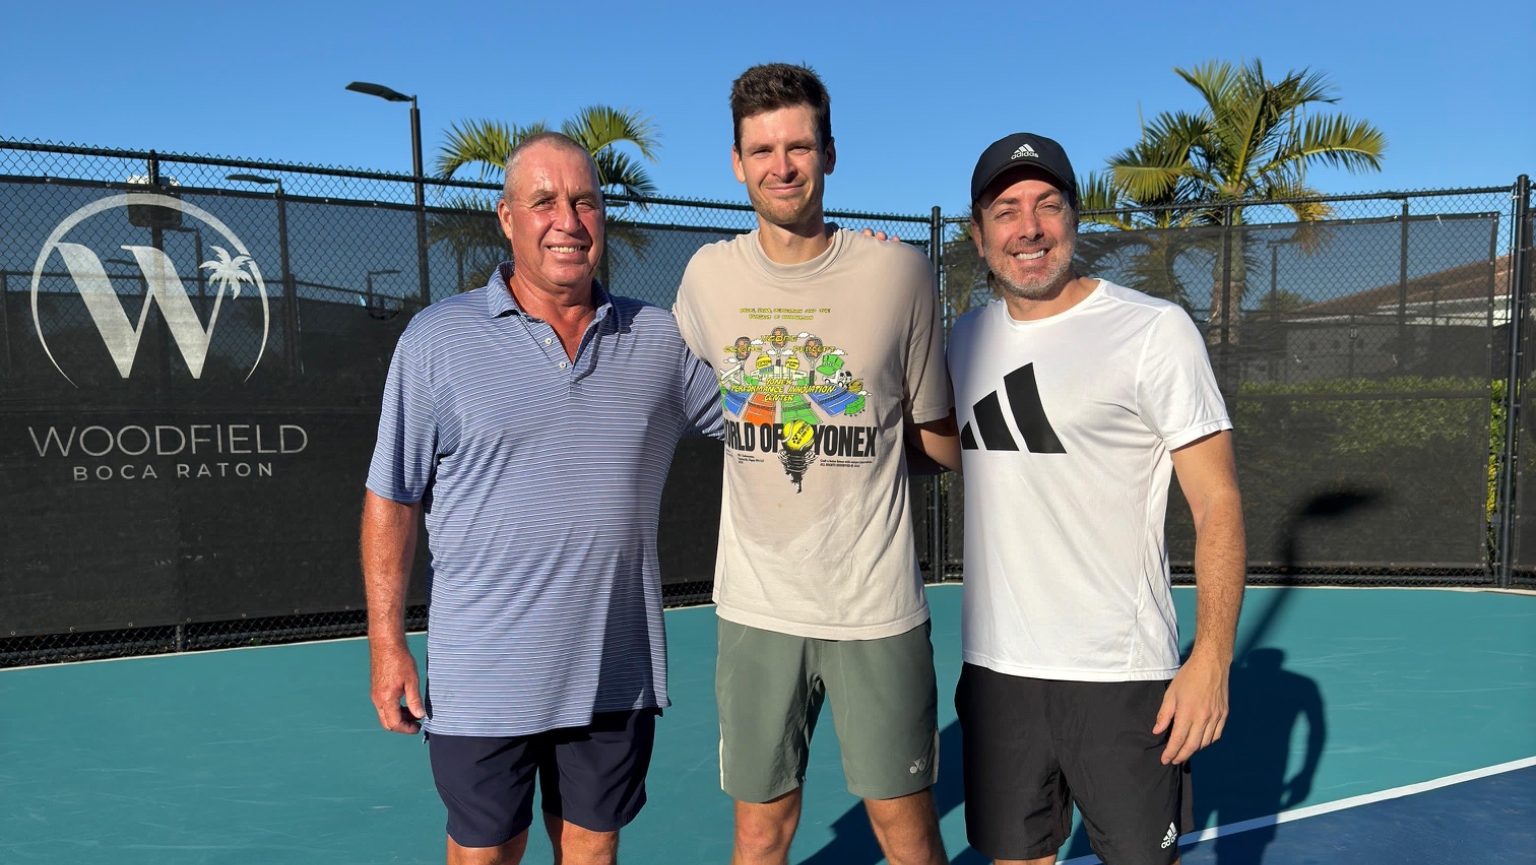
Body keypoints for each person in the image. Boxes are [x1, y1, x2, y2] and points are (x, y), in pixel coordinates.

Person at [361, 132, 722, 865]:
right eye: (544, 202)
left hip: (613, 671)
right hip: (484, 676)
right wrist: (386, 643)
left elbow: (769, 419)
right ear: (507, 218)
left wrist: (840, 312)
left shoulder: (659, 339)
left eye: (585, 201)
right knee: (486, 854)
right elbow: (391, 500)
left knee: (591, 852)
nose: (568, 220)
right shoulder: (436, 340)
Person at [672, 63, 959, 865]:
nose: (783, 166)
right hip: (757, 606)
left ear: (829, 153)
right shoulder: (705, 278)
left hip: (876, 605)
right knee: (760, 832)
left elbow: (934, 436)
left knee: (906, 831)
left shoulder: (899, 272)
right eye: (763, 150)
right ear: (737, 162)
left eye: (799, 146)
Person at [948, 132, 1246, 865]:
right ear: (979, 233)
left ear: (1074, 220)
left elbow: (1218, 503)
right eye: (1007, 210)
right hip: (998, 671)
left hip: (1121, 673)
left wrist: (1211, 658)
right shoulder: (962, 341)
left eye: (1048, 205)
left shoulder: (1152, 331)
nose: (1029, 227)